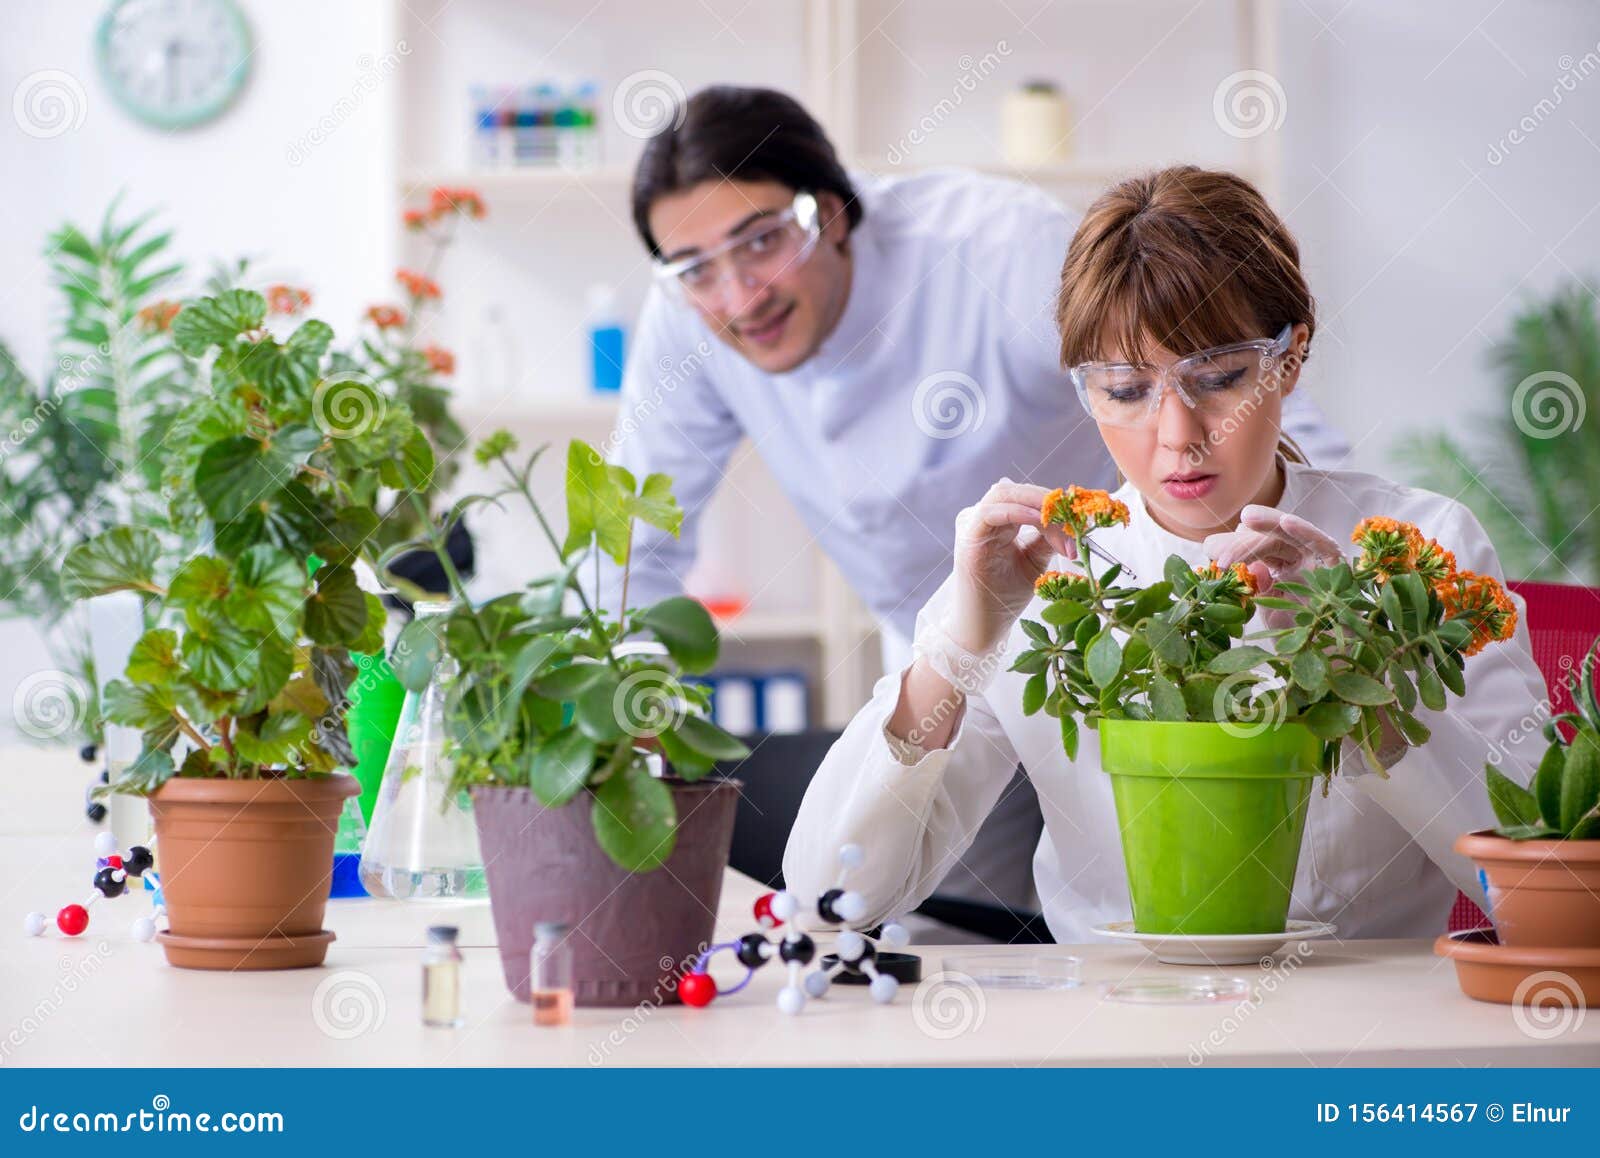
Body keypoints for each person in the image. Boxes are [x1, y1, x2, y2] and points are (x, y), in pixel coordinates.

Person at [608, 85, 1348, 921]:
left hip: (1135, 617)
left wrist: (1321, 604)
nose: (740, 296)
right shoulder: (690, 310)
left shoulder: (993, 247)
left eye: (765, 241)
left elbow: (1258, 413)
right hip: (957, 641)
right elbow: (634, 540)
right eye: (699, 269)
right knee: (957, 921)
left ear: (834, 212)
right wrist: (630, 711)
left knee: (1205, 897)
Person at [782, 165, 1548, 941]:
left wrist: (1366, 676)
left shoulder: (1418, 549)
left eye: (1216, 379)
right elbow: (828, 900)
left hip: (1350, 1042)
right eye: (1124, 391)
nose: (1178, 437)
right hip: (1111, 1040)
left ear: (1290, 358)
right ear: (1084, 391)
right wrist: (954, 654)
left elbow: (1549, 897)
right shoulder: (1039, 575)